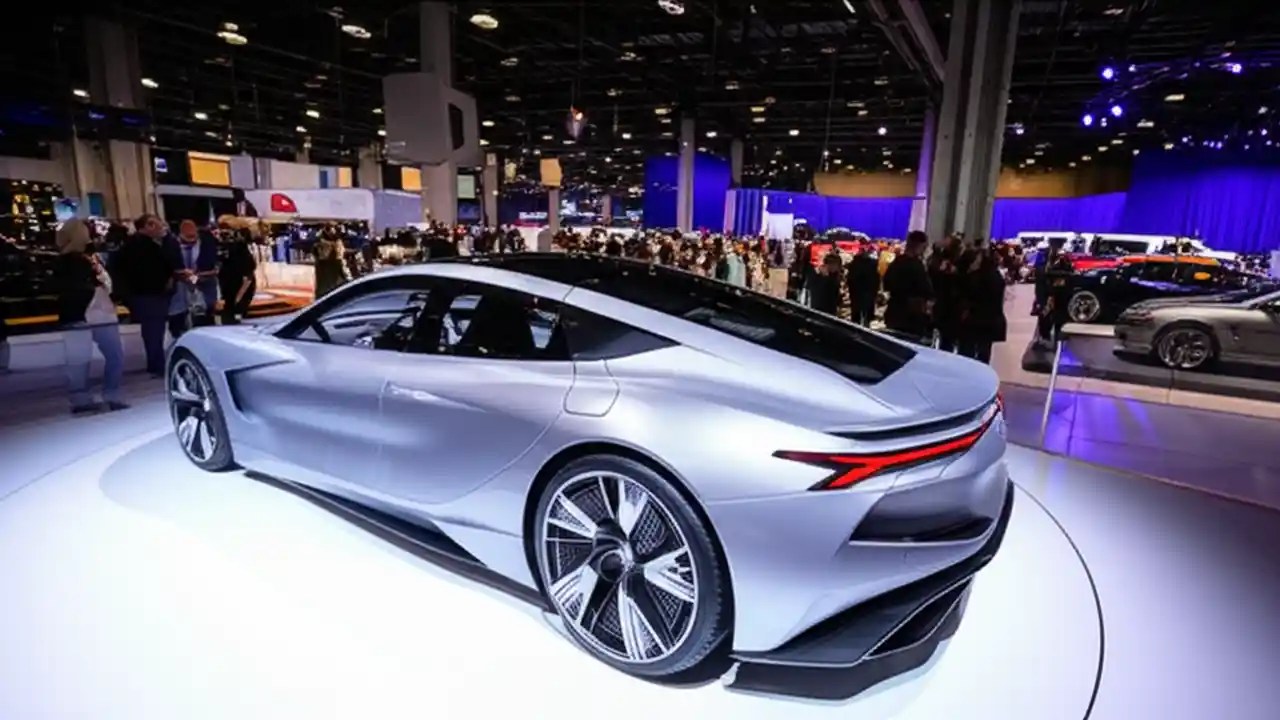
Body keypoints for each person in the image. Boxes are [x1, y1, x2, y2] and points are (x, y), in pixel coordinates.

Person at [54, 220, 128, 414]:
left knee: (110, 355)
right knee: (81, 358)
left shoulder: (91, 257)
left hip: (98, 312)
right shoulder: (67, 262)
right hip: (82, 313)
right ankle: (86, 398)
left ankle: (101, 396)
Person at [113, 213, 174, 377]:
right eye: (157, 224)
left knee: (150, 331)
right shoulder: (148, 247)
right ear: (147, 226)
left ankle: (154, 363)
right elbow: (164, 266)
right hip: (151, 294)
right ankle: (157, 365)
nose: (161, 227)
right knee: (155, 330)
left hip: (139, 295)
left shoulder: (128, 246)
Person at [165, 219, 220, 338]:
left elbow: (214, 268)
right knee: (178, 320)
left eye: (193, 237)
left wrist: (196, 277)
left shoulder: (207, 243)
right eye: (187, 238)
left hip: (203, 286)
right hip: (180, 289)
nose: (191, 240)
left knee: (204, 320)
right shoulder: (172, 245)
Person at [958, 241, 1008, 364]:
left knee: (968, 353)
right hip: (990, 320)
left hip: (977, 320)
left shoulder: (977, 277)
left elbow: (973, 297)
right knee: (983, 353)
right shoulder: (995, 275)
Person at [883, 231, 933, 340]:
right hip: (912, 317)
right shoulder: (917, 266)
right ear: (920, 246)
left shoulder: (896, 263)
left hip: (894, 312)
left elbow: (886, 283)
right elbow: (927, 290)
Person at [929, 234, 965, 352]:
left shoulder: (937, 263)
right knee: (947, 341)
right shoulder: (959, 267)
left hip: (941, 306)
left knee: (941, 339)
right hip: (949, 308)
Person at [218, 228, 258, 325]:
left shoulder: (239, 251)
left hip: (238, 286)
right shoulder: (234, 250)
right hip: (233, 286)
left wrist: (239, 295)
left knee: (234, 310)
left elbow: (248, 276)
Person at [846, 246, 880, 327]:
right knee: (867, 315)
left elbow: (850, 279)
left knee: (856, 315)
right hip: (868, 294)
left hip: (857, 295)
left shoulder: (854, 264)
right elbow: (876, 280)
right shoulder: (873, 265)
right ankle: (866, 328)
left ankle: (855, 330)